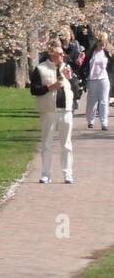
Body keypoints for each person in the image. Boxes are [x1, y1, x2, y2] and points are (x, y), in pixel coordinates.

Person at [31, 41, 75, 184]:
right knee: (47, 143)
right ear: (52, 54)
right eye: (60, 53)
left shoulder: (66, 68)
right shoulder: (41, 69)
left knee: (66, 144)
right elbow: (34, 90)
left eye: (63, 53)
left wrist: (71, 78)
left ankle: (67, 174)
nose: (63, 56)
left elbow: (77, 90)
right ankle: (46, 174)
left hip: (66, 110)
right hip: (49, 111)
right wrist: (51, 87)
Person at [85, 32, 109, 131]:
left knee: (103, 101)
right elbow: (85, 64)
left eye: (104, 44)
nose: (102, 46)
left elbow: (111, 65)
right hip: (92, 80)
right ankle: (90, 120)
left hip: (103, 79)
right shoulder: (91, 52)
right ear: (97, 42)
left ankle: (104, 122)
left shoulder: (107, 53)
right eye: (101, 44)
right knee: (92, 102)